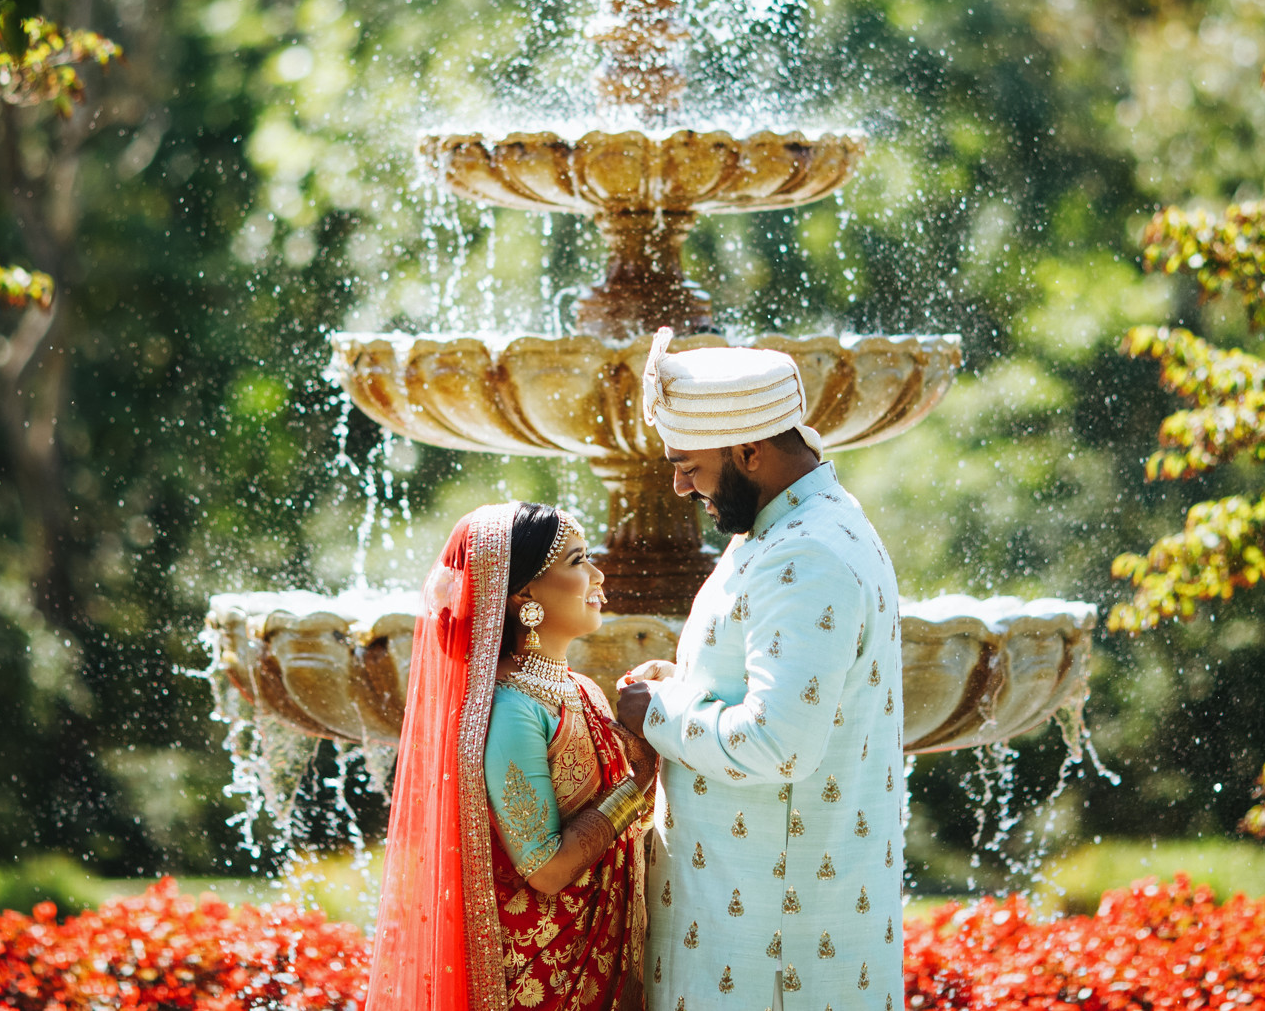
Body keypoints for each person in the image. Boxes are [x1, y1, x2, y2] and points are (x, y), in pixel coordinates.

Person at [616, 328, 905, 1011]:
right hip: (756, 926)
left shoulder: (806, 554)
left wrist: (654, 712)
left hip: (773, 956)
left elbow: (777, 742)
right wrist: (684, 683)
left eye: (690, 463)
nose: (679, 483)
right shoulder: (792, 525)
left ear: (750, 450)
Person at [368, 501, 658, 1011]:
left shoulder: (581, 690)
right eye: (577, 560)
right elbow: (545, 868)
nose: (598, 573)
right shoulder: (510, 710)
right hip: (546, 980)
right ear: (524, 593)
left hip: (607, 963)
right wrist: (636, 787)